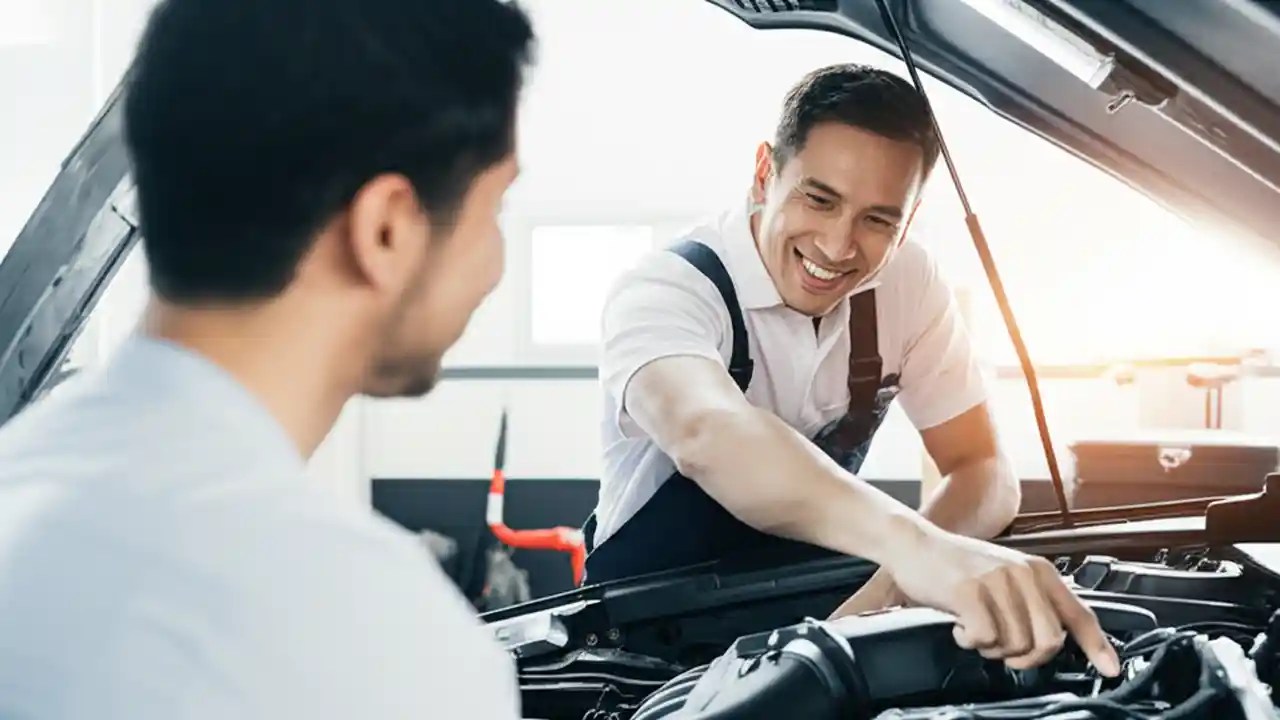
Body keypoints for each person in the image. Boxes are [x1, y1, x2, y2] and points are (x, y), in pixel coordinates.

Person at [0, 0, 533, 717]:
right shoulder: (376, 638)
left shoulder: (22, 484)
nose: (496, 264)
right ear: (385, 230)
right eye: (494, 210)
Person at [587, 64, 1121, 676]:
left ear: (909, 219)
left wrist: (897, 586)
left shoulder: (908, 283)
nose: (839, 247)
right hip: (650, 639)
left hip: (816, 610)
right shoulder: (667, 289)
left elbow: (984, 469)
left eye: (878, 220)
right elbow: (709, 435)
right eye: (820, 199)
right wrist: (919, 548)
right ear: (765, 174)